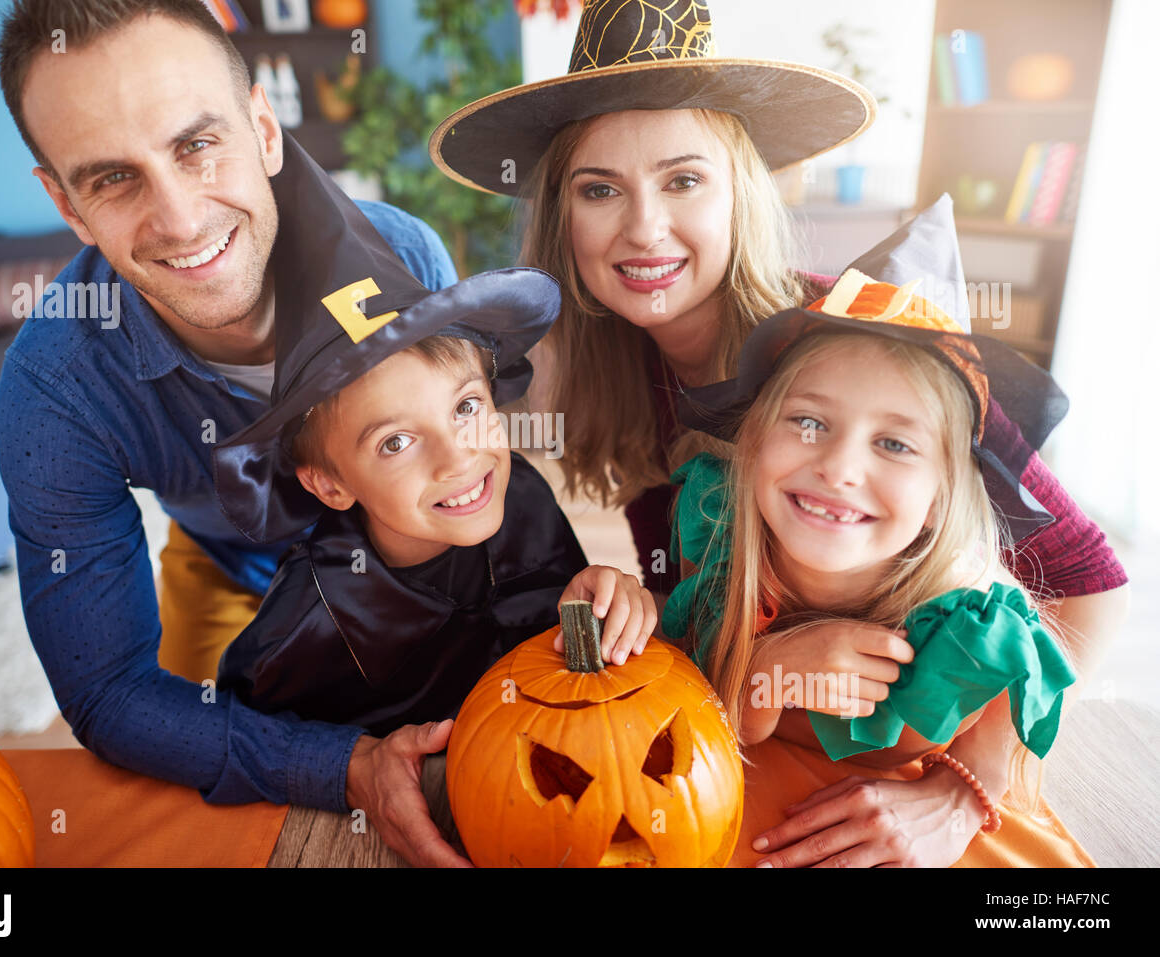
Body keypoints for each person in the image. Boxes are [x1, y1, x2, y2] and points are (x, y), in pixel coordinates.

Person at [431, 0, 1129, 864]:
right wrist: (632, 607)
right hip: (763, 730)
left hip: (915, 739)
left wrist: (964, 786)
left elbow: (1088, 582)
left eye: (683, 180)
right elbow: (696, 611)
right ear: (562, 221)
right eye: (600, 189)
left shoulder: (869, 348)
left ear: (739, 191)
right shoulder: (617, 368)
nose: (642, 226)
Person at [0, 0, 466, 866]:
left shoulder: (409, 263)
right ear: (66, 203)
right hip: (226, 575)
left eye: (195, 144)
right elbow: (109, 692)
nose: (178, 219)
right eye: (112, 178)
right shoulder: (52, 387)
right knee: (209, 829)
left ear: (263, 129)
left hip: (406, 563)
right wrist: (345, 766)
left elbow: (472, 496)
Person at [664, 203, 1090, 866]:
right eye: (809, 422)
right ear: (752, 442)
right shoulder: (717, 522)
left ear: (940, 497)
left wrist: (967, 786)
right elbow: (681, 694)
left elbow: (1025, 690)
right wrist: (763, 674)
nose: (839, 468)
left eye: (893, 442)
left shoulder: (969, 624)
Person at [208, 189, 656, 734]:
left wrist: (591, 606)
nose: (458, 458)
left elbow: (553, 649)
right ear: (328, 484)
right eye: (396, 442)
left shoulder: (522, 498)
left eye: (466, 407)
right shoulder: (307, 620)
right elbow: (241, 738)